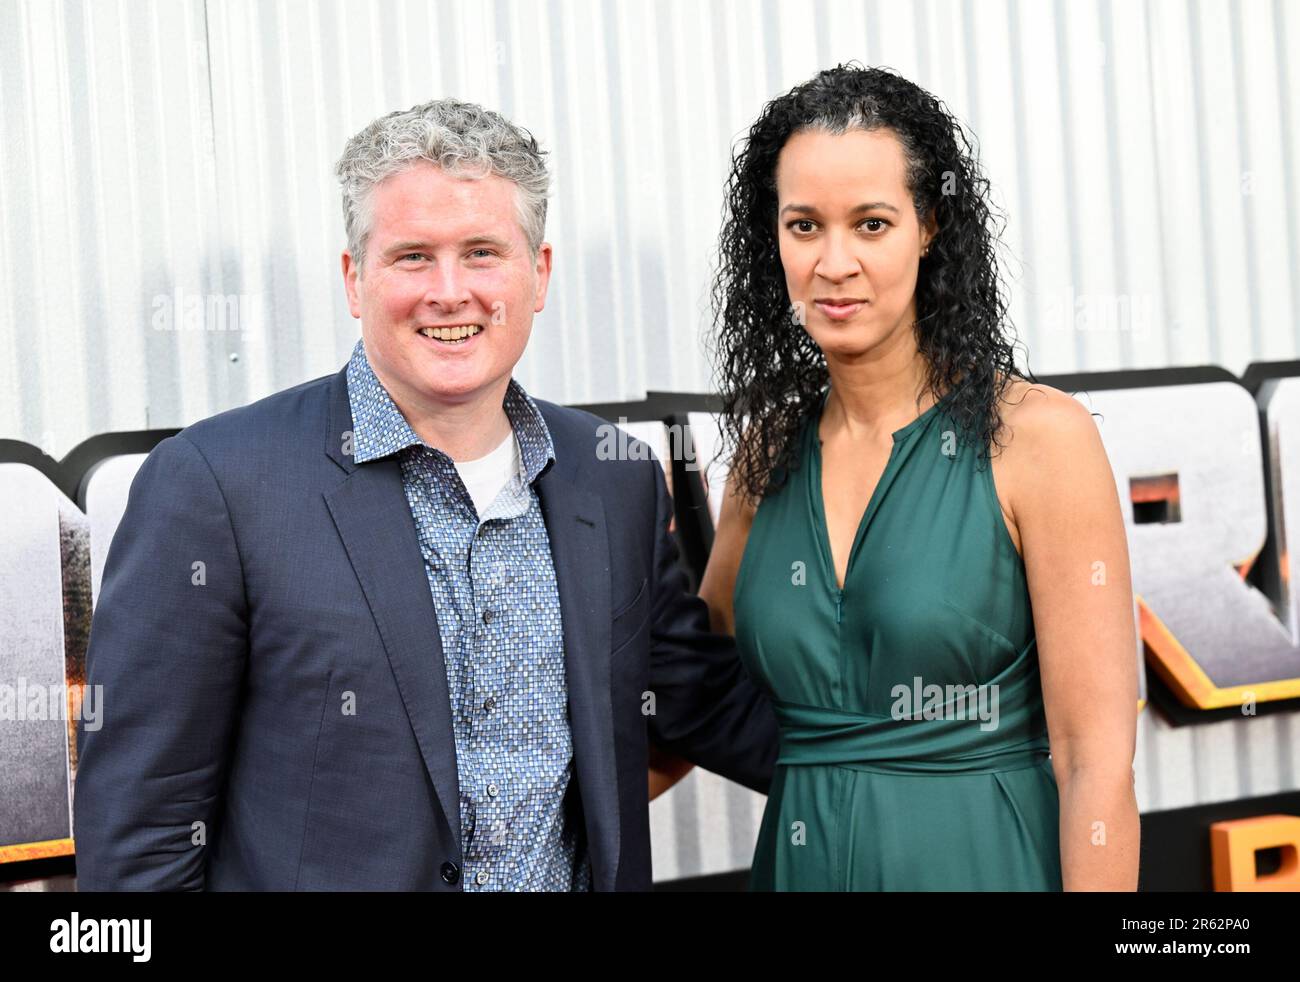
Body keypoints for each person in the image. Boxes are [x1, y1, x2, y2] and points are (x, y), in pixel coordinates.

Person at [73, 98, 778, 891]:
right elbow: (142, 833)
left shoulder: (610, 477)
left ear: (537, 274)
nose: (450, 292)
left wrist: (918, 762)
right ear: (354, 278)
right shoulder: (215, 486)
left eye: (483, 252)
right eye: (412, 256)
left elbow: (699, 703)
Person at [697, 64, 1140, 890]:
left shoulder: (1038, 439)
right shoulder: (763, 458)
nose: (834, 263)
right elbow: (696, 695)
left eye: (871, 224)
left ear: (929, 225)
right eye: (804, 226)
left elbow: (1096, 762)